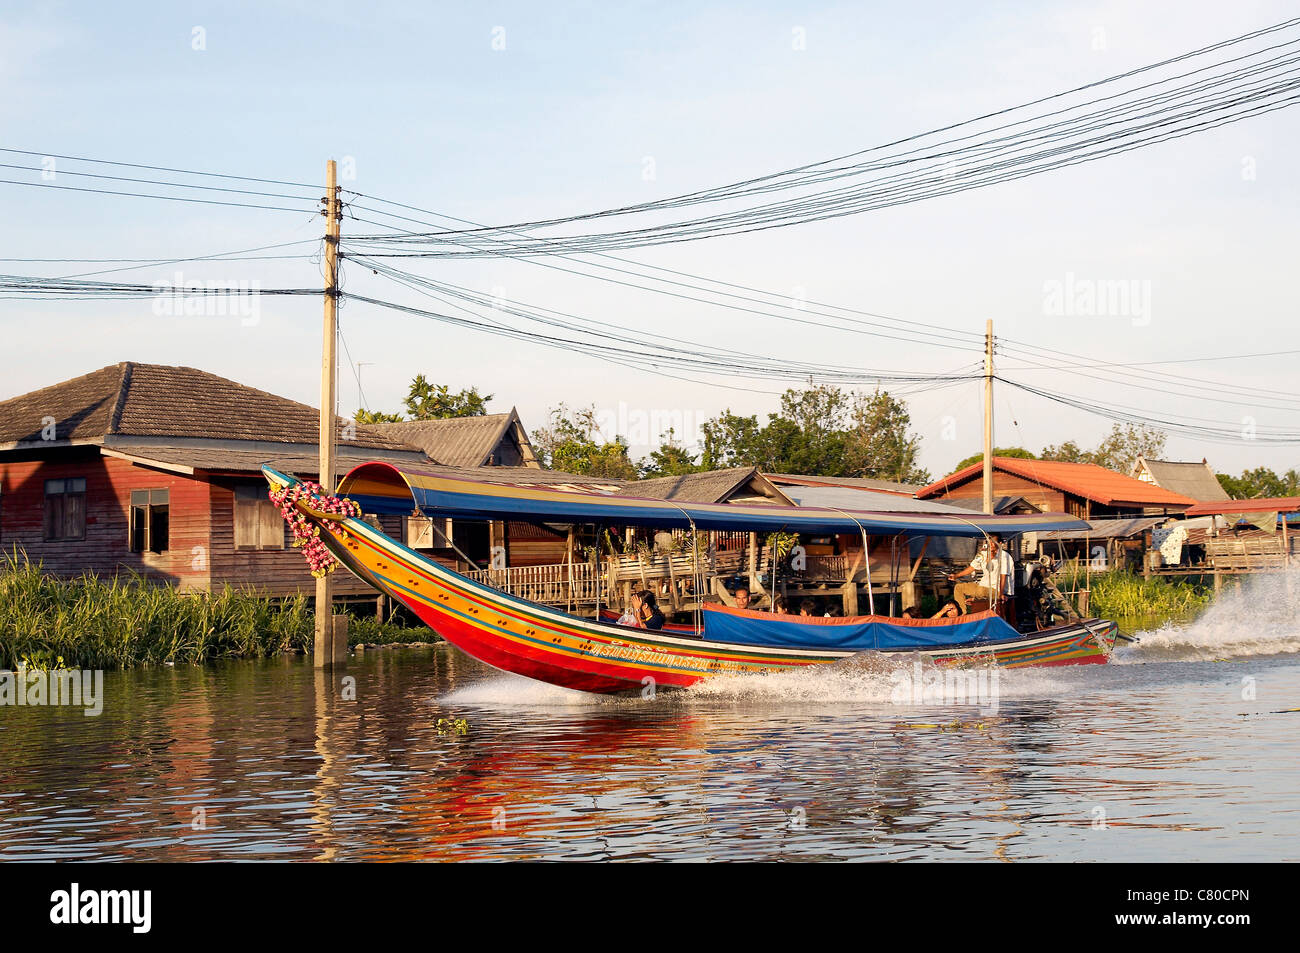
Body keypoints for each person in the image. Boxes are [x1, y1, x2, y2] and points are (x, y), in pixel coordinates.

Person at [948, 534, 1014, 613]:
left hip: (997, 589)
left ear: (999, 543)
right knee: (959, 588)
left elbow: (1003, 576)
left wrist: (1001, 594)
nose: (991, 545)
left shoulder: (1004, 556)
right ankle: (963, 614)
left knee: (981, 591)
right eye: (989, 543)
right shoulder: (983, 554)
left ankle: (975, 599)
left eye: (993, 543)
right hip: (983, 586)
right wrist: (956, 575)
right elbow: (972, 567)